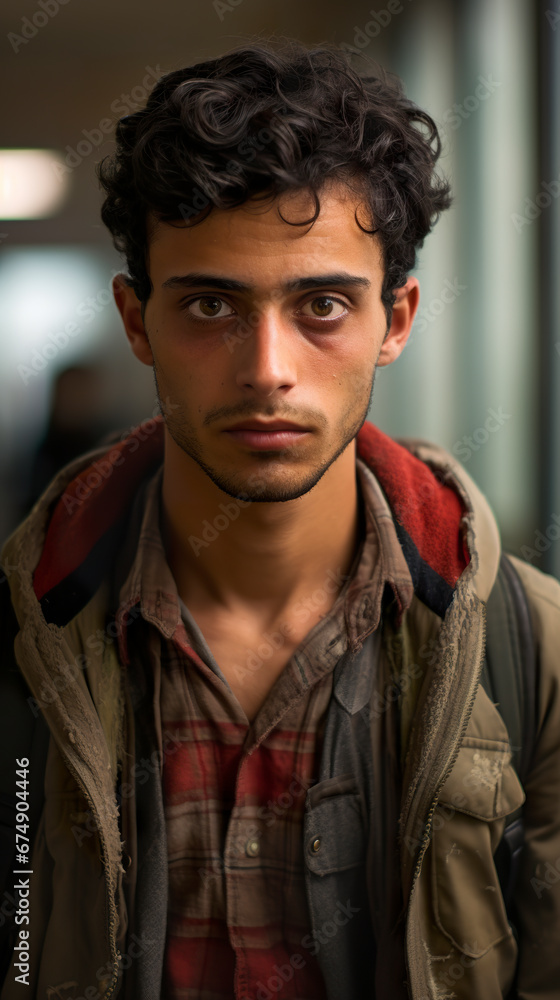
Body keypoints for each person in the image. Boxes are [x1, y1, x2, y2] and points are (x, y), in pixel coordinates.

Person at [1, 38, 559, 1000]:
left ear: (397, 320)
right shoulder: (22, 636)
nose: (267, 369)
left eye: (323, 305)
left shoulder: (535, 652)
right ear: (137, 323)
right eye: (212, 303)